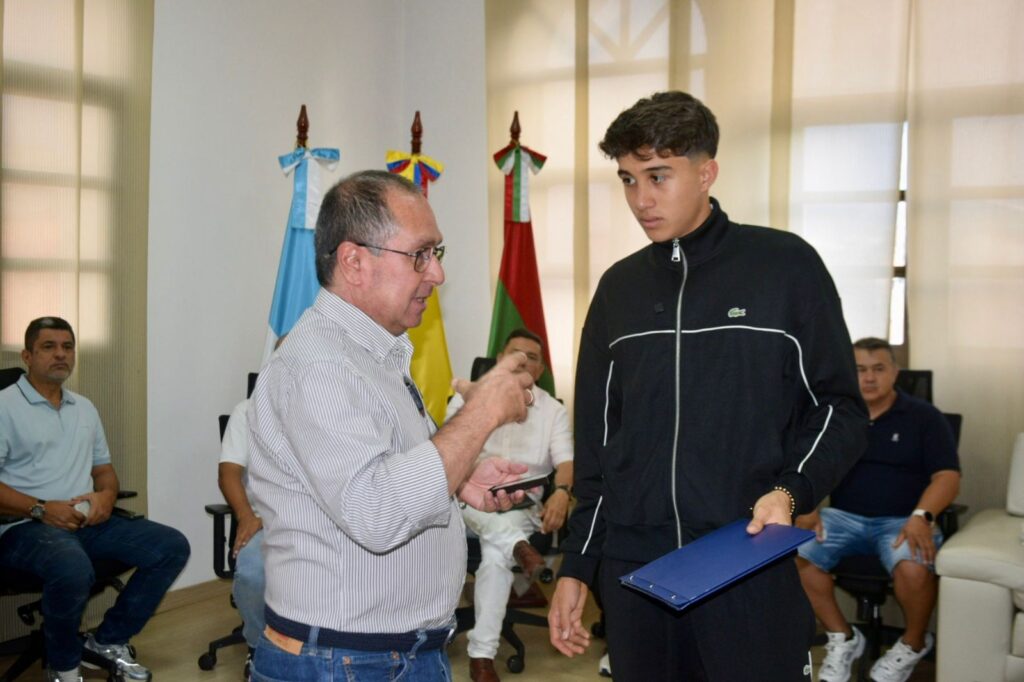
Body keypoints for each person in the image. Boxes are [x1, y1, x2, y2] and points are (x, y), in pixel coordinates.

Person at [547, 91, 868, 681]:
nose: (640, 199)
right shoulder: (618, 291)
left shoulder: (784, 267)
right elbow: (596, 446)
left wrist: (791, 492)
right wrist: (577, 566)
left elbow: (839, 408)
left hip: (743, 558)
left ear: (706, 172)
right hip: (635, 572)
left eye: (658, 176)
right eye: (627, 180)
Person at [246, 170, 537, 682]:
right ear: (354, 261)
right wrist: (483, 411)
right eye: (419, 254)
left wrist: (459, 478)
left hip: (387, 655)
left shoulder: (375, 353)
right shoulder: (318, 365)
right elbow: (378, 513)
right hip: (343, 662)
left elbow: (382, 469)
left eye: (436, 253)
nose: (437, 274)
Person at [0, 316, 191, 682]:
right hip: (23, 526)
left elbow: (104, 470)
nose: (61, 354)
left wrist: (106, 496)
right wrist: (41, 509)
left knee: (170, 546)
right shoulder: (5, 406)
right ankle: (64, 667)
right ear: (27, 355)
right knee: (71, 566)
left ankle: (107, 640)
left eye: (68, 347)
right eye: (49, 347)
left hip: (83, 521)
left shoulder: (84, 408)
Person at [796, 337, 960, 682]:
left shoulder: (924, 417)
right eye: (859, 369)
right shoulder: (836, 418)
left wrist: (922, 517)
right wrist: (808, 506)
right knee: (793, 552)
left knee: (913, 568)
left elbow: (947, 477)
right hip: (843, 519)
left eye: (878, 368)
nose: (869, 378)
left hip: (903, 520)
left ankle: (914, 643)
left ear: (895, 372)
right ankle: (843, 636)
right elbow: (809, 466)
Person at [446, 328, 574, 682]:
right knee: (499, 540)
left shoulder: (552, 410)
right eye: (515, 353)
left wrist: (562, 492)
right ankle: (518, 547)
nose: (522, 361)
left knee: (495, 555)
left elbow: (566, 461)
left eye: (532, 357)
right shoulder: (470, 397)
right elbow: (447, 454)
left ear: (540, 370)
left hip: (521, 507)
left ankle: (481, 657)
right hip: (467, 503)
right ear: (500, 359)